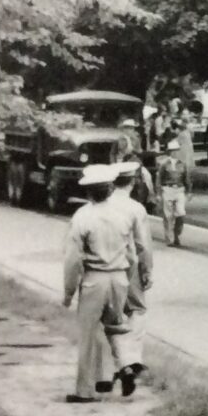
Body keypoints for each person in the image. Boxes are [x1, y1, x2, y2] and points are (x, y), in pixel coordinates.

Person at [61, 165, 134, 403]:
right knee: (114, 328)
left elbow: (73, 259)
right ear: (111, 189)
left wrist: (69, 291)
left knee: (88, 334)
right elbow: (131, 254)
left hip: (95, 278)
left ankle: (85, 390)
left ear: (89, 193)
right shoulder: (123, 216)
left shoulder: (83, 216)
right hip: (120, 277)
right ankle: (118, 370)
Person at [106, 162, 153, 392]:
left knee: (111, 317)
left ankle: (121, 362)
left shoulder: (99, 206)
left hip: (104, 266)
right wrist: (147, 270)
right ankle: (133, 358)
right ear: (133, 182)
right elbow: (143, 245)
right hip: (129, 265)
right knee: (137, 310)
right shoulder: (136, 209)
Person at [155, 138, 190, 247]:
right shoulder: (164, 164)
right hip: (168, 189)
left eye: (177, 150)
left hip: (179, 189)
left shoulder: (182, 164)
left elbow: (187, 178)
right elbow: (159, 179)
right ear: (169, 152)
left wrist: (189, 191)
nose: (175, 152)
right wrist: (158, 193)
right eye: (173, 150)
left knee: (181, 213)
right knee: (168, 215)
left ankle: (177, 234)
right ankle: (170, 238)